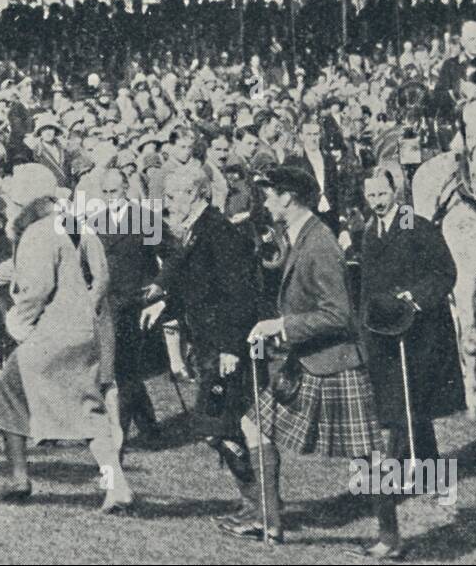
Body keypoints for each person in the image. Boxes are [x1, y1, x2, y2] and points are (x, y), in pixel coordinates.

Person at [220, 167, 383, 546]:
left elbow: (339, 314)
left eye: (269, 195)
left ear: (288, 197)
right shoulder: (300, 236)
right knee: (254, 426)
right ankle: (270, 524)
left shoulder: (320, 243)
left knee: (369, 457)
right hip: (310, 360)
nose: (264, 202)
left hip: (335, 362)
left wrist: (280, 326)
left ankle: (389, 537)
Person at [0, 166, 132, 512]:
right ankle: (116, 486)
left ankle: (19, 477)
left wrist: (17, 325)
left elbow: (35, 289)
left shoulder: (36, 232)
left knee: (5, 401)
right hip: (85, 332)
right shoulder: (77, 227)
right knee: (91, 412)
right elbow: (100, 277)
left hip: (49, 335)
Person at [140, 165, 258, 518]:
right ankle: (255, 501)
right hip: (209, 346)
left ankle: (259, 503)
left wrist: (231, 348)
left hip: (223, 349)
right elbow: (199, 287)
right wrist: (166, 303)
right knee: (219, 426)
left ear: (194, 194)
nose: (167, 203)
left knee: (217, 426)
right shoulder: (197, 230)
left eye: (173, 196)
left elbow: (238, 294)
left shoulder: (218, 231)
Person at [354, 166, 458, 557]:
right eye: (371, 195)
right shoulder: (369, 231)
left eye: (382, 194)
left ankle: (406, 482)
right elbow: (366, 284)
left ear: (394, 190)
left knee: (404, 409)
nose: (377, 201)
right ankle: (429, 474)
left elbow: (445, 273)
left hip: (418, 335)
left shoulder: (417, 225)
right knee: (404, 407)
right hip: (382, 335)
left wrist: (414, 298)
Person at [89, 167, 160, 443]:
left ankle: (126, 431)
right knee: (122, 368)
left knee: (125, 367)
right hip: (108, 304)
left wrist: (158, 285)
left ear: (126, 188)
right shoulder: (94, 223)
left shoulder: (145, 219)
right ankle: (148, 428)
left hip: (136, 302)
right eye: (104, 192)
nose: (109, 197)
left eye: (114, 191)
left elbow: (170, 253)